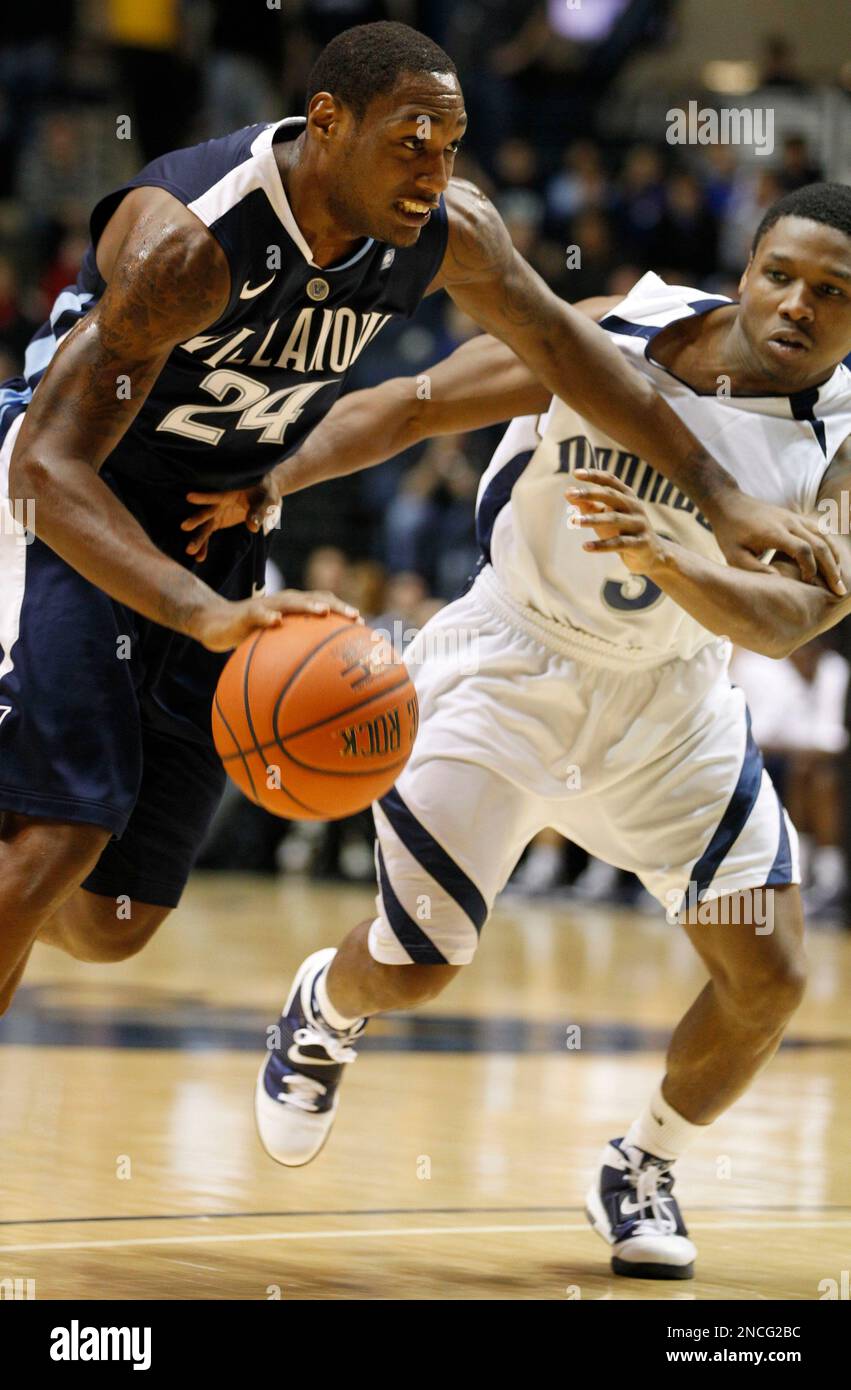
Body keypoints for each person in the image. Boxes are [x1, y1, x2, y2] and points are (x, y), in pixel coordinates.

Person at [0, 22, 829, 1018]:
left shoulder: (447, 230)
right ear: (326, 123)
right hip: (67, 503)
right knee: (57, 840)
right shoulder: (189, 244)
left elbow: (572, 353)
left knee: (113, 919)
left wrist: (722, 497)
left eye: (450, 142)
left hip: (210, 523)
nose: (434, 169)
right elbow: (47, 465)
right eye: (409, 141)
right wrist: (198, 613)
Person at [209, 183, 851, 1280]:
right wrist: (273, 478)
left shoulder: (838, 441)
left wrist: (674, 559)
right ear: (742, 270)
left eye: (833, 293)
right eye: (781, 274)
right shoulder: (615, 333)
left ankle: (639, 1162)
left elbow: (796, 616)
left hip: (669, 704)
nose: (797, 304)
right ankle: (324, 1007)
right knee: (413, 968)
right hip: (504, 665)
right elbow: (412, 401)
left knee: (770, 977)